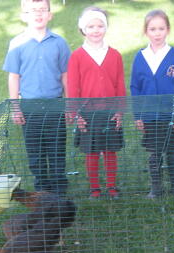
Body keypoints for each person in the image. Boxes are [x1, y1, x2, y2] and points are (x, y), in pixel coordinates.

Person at [2, 0, 70, 196]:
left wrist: (68, 105)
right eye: (33, 11)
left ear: (50, 14)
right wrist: (16, 107)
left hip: (55, 105)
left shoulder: (59, 42)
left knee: (56, 149)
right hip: (29, 108)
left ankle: (59, 190)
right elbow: (14, 76)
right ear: (24, 15)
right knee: (35, 153)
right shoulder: (17, 44)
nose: (38, 14)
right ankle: (42, 190)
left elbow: (66, 75)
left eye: (42, 10)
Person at [67, 6, 126, 199]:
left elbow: (120, 84)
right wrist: (77, 114)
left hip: (109, 112)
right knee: (91, 152)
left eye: (100, 25)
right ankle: (94, 187)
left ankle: (111, 186)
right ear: (83, 29)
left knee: (110, 151)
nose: (95, 30)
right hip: (87, 113)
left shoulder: (115, 54)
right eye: (90, 26)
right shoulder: (77, 56)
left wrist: (120, 111)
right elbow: (73, 87)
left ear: (106, 28)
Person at [130, 10, 174, 199]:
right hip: (149, 117)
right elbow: (135, 89)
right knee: (155, 154)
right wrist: (138, 116)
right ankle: (156, 188)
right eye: (152, 29)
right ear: (146, 31)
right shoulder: (140, 57)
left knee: (172, 153)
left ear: (168, 30)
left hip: (170, 116)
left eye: (161, 28)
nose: (157, 33)